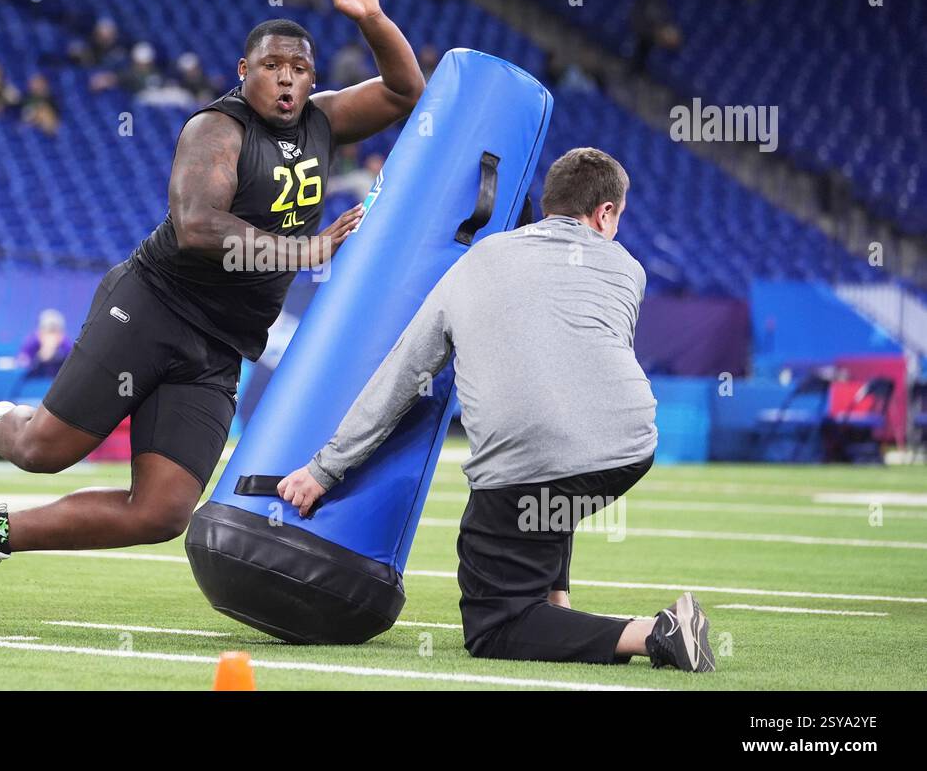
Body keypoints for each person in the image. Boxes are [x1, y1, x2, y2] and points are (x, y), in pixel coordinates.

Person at [0, 0, 427, 626]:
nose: (286, 80)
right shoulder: (216, 127)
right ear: (244, 72)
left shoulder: (323, 121)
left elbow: (404, 91)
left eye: (299, 69)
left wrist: (371, 17)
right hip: (153, 308)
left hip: (221, 346)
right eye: (272, 66)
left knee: (161, 512)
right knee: (46, 451)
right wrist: (305, 248)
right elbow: (196, 226)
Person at [277, 148, 714, 673]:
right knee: (554, 481)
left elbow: (401, 375)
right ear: (604, 213)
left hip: (533, 462)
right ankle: (559, 610)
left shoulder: (477, 260)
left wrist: (324, 469)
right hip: (629, 448)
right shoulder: (628, 268)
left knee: (496, 625)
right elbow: (574, 373)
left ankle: (656, 634)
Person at [17, 310, 72, 377]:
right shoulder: (33, 341)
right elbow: (22, 361)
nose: (51, 337)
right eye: (48, 331)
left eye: (54, 331)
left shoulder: (66, 344)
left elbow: (74, 363)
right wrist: (38, 358)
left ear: (61, 333)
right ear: (40, 332)